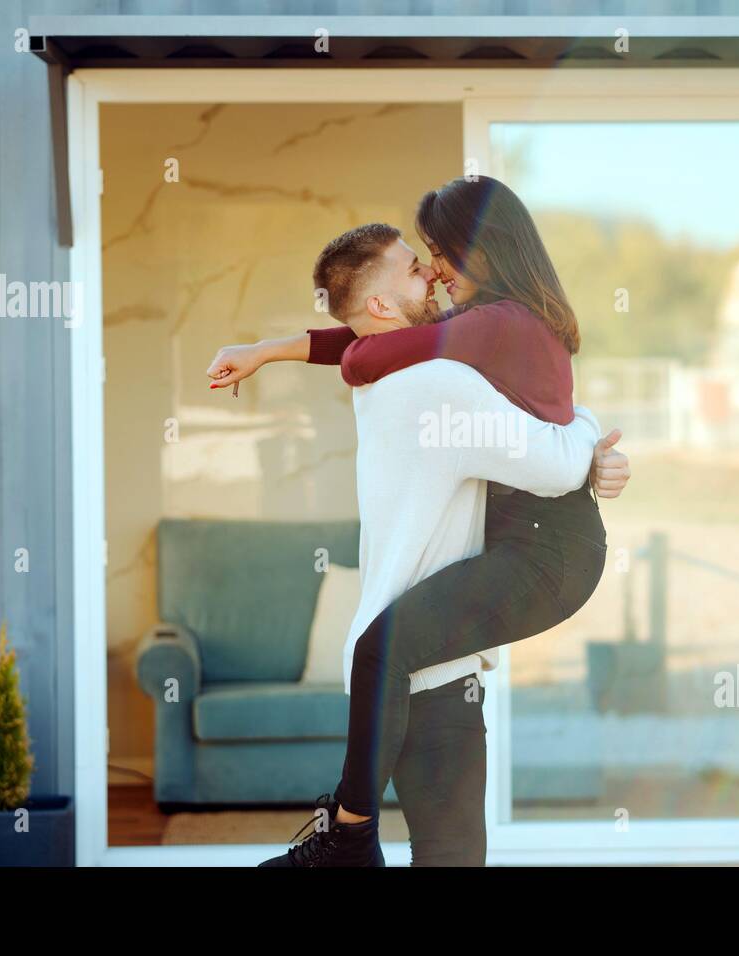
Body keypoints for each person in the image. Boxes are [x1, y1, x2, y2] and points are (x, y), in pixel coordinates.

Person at [208, 179, 631, 865]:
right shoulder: (469, 347)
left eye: (437, 253)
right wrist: (272, 349)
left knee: (385, 650)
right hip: (510, 569)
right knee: (453, 848)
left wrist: (588, 450)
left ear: (482, 251)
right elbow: (368, 346)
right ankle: (347, 835)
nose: (433, 268)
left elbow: (367, 353)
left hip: (538, 551)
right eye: (420, 260)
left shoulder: (473, 342)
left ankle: (346, 832)